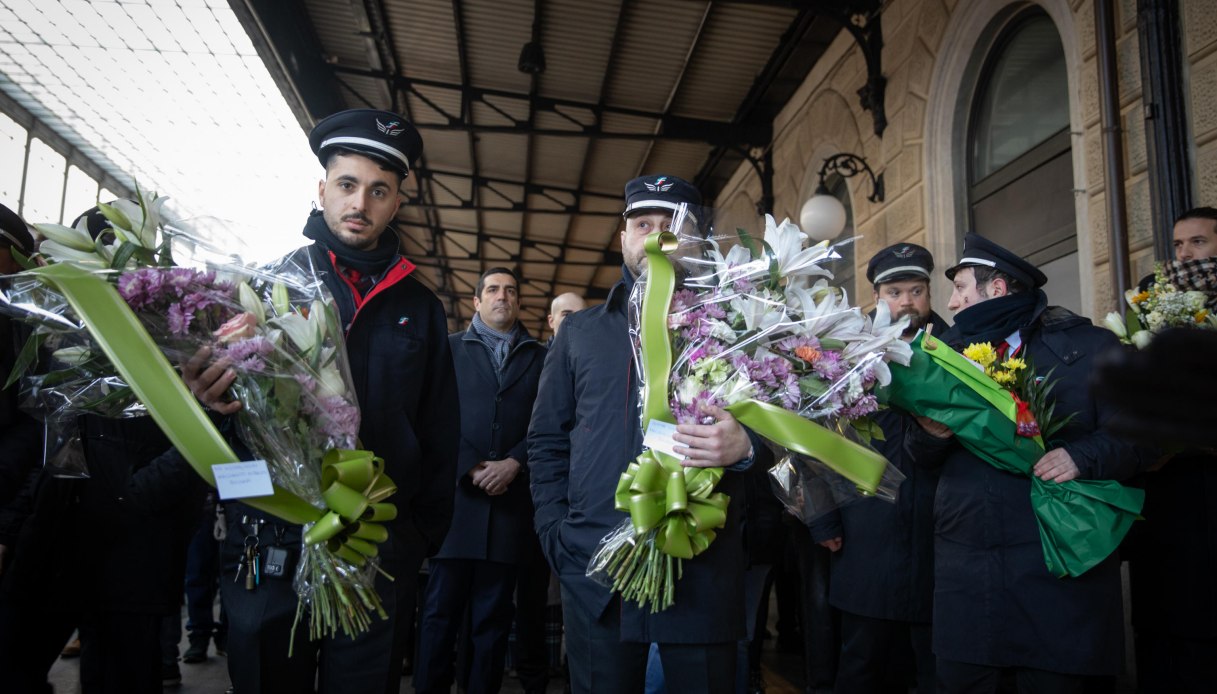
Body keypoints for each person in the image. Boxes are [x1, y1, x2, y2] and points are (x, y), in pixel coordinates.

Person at [183, 108, 460, 694]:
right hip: (271, 538)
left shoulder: (421, 306)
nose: (360, 202)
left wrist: (416, 539)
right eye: (347, 184)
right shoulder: (262, 287)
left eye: (379, 190)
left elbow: (440, 427)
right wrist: (209, 401)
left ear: (397, 203)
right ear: (322, 189)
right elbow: (227, 415)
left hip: (376, 544)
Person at [528, 174, 755, 694]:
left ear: (696, 241)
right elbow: (545, 440)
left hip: (703, 569)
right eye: (642, 224)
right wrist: (555, 535)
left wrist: (748, 448)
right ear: (623, 237)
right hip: (597, 571)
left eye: (673, 226)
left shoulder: (740, 327)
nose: (656, 236)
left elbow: (788, 430)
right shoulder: (581, 334)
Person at [920, 233, 1145, 692]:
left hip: (1058, 581)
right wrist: (929, 436)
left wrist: (1081, 455)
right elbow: (917, 459)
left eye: (961, 288)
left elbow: (1145, 431)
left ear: (997, 289)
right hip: (968, 581)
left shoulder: (1089, 347)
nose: (950, 302)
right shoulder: (944, 358)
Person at [0, 203, 208, 694]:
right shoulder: (49, 337)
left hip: (128, 566)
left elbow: (185, 464)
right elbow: (37, 441)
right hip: (50, 548)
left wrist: (132, 500)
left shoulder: (174, 345)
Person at [807, 243, 950, 694]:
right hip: (865, 531)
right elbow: (813, 440)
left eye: (916, 290)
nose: (906, 301)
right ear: (876, 296)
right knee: (862, 665)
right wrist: (822, 515)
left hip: (938, 535)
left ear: (929, 294)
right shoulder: (845, 354)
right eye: (894, 291)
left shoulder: (960, 350)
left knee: (934, 670)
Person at [413, 267, 546, 694]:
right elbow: (428, 415)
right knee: (438, 615)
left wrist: (515, 463)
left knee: (492, 620)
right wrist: (470, 464)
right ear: (476, 301)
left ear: (519, 302)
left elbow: (551, 423)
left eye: (510, 290)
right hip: (454, 506)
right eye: (492, 289)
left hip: (509, 507)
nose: (502, 296)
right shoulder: (448, 350)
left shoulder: (541, 358)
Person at [1119, 206, 1217, 692]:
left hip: (1207, 489)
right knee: (1162, 629)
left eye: (1197, 243)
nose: (1184, 255)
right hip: (1162, 493)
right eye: (1178, 246)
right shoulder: (1153, 305)